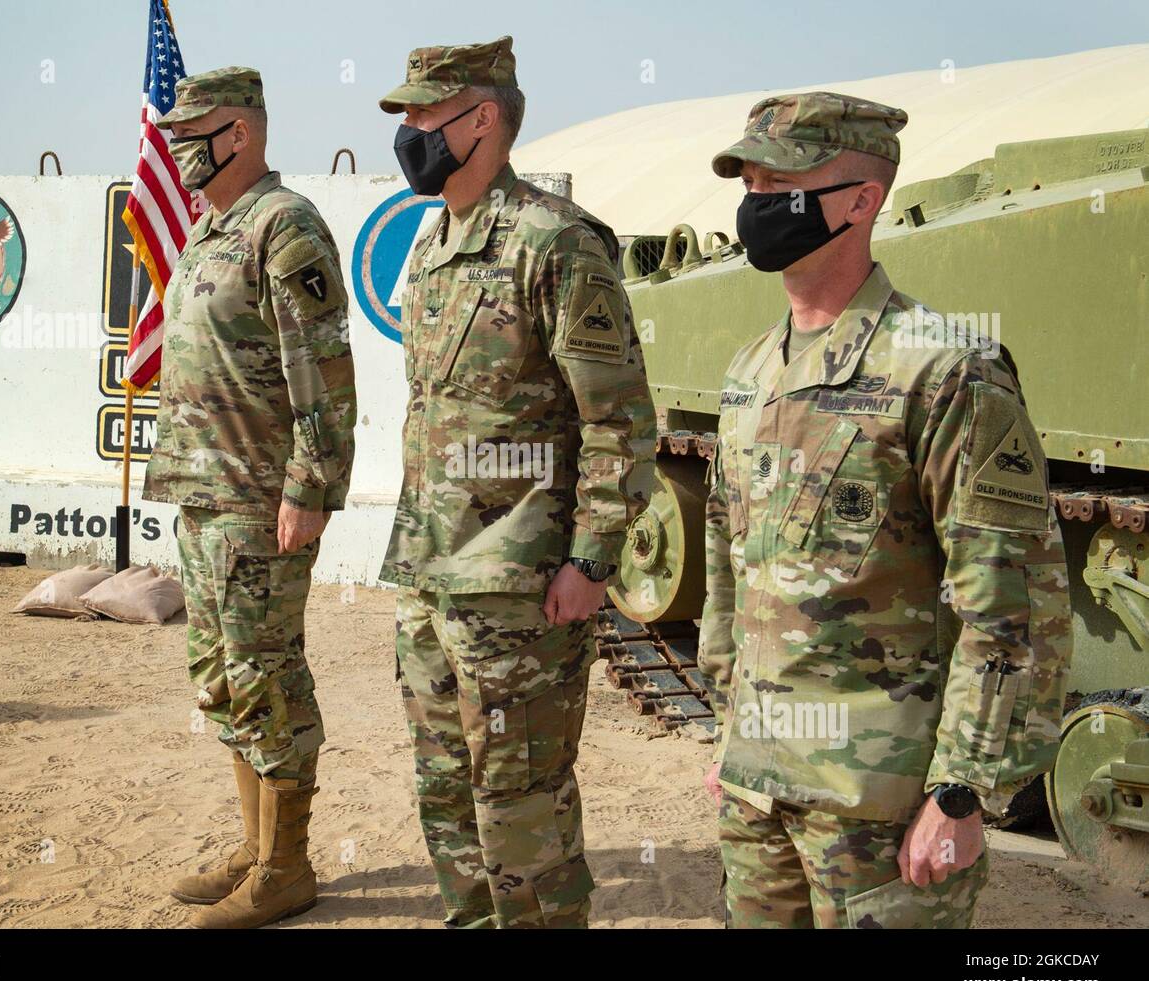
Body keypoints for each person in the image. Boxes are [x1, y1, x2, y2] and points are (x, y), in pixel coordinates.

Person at [698, 91, 1072, 928]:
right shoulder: (750, 371)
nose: (759, 207)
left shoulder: (947, 371)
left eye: (783, 187)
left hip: (881, 805)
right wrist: (731, 734)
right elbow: (731, 567)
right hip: (757, 795)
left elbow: (1013, 606)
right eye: (751, 185)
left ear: (862, 201)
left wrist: (963, 790)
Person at [377, 36, 656, 928]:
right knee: (448, 795)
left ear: (482, 118)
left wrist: (592, 558)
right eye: (409, 116)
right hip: (431, 575)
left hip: (521, 586)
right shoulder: (430, 246)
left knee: (521, 801)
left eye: (423, 114)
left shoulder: (556, 242)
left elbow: (618, 420)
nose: (411, 131)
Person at [142, 67, 356, 929]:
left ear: (240, 132)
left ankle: (287, 868)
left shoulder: (286, 227)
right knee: (225, 682)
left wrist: (311, 488)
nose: (178, 146)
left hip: (260, 502)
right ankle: (254, 848)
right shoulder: (209, 232)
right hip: (204, 497)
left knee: (267, 679)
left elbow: (325, 372)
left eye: (194, 130)